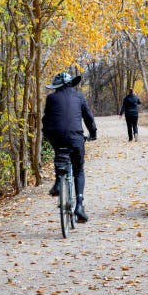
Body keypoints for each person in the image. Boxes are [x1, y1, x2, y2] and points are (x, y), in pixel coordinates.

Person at [42, 72, 97, 223]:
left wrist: (46, 134)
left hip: (57, 137)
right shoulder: (79, 97)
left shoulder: (51, 98)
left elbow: (46, 119)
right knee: (78, 170)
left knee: (59, 154)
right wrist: (93, 133)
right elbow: (88, 117)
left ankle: (59, 182)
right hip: (75, 138)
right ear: (70, 84)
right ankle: (79, 205)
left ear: (57, 86)